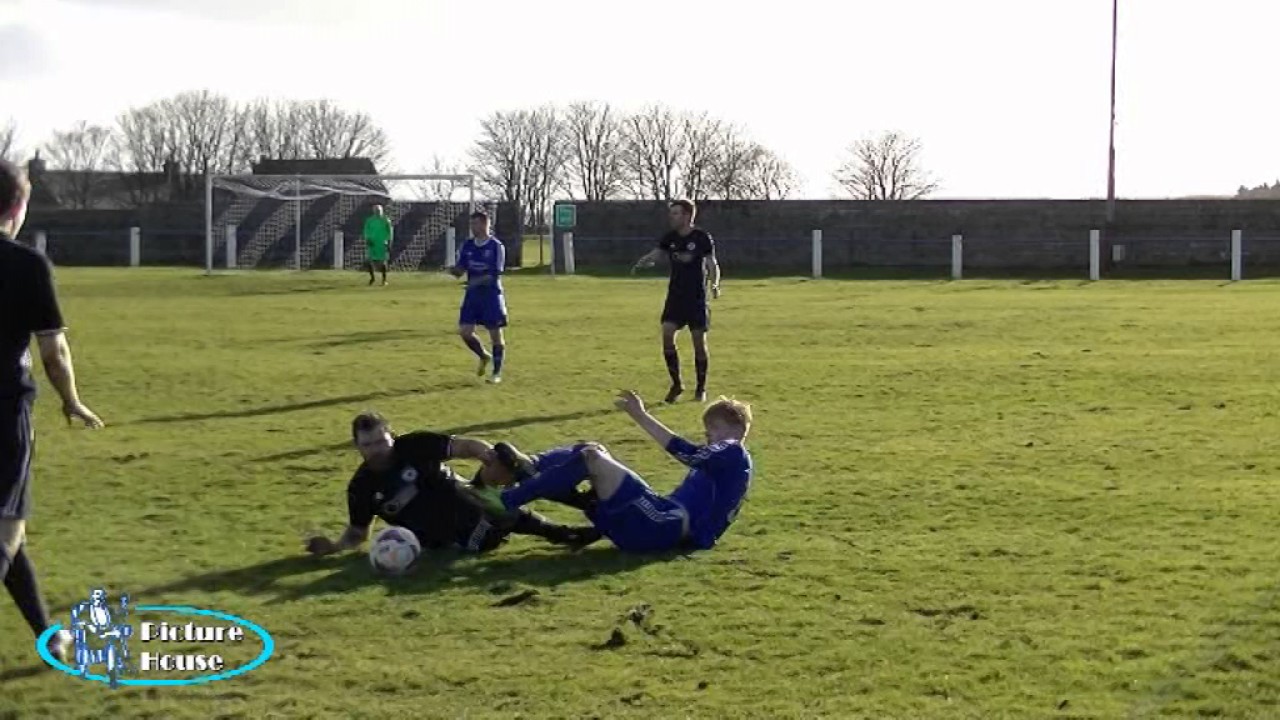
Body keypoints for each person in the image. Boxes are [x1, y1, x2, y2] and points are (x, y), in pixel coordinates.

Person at [0, 159, 104, 663]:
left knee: (11, 540)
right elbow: (53, 353)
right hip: (3, 415)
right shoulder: (25, 264)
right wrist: (72, 401)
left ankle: (50, 638)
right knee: (5, 529)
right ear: (17, 207)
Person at [466, 392, 753, 554]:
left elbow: (688, 454)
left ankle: (508, 500)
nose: (708, 437)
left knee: (592, 456)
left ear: (736, 430)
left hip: (664, 526)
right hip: (657, 525)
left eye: (712, 430)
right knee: (592, 451)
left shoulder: (733, 450)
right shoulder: (727, 461)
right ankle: (530, 467)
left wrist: (641, 415)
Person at [304, 412, 594, 560]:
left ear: (393, 436)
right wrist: (331, 547)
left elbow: (464, 445)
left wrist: (487, 455)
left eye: (381, 441)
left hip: (466, 497)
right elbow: (358, 533)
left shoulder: (414, 445)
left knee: (507, 460)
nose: (376, 449)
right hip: (452, 540)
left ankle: (582, 504)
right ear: (357, 446)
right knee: (497, 514)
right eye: (368, 445)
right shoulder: (361, 488)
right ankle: (565, 534)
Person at [631, 199, 721, 403]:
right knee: (667, 335)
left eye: (676, 213)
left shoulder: (701, 237)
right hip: (675, 297)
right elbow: (658, 253)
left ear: (688, 215)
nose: (671, 217)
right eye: (671, 213)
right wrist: (645, 260)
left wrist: (715, 284)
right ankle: (677, 385)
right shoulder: (669, 238)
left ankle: (700, 388)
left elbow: (711, 263)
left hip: (696, 298)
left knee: (699, 343)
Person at [449, 211, 508, 384]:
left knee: (495, 335)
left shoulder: (496, 246)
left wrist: (475, 282)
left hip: (491, 295)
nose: (473, 228)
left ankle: (496, 373)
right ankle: (483, 356)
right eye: (471, 224)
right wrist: (453, 270)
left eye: (475, 224)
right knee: (465, 332)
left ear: (484, 224)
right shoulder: (468, 245)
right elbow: (461, 269)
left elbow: (495, 273)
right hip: (472, 296)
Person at [362, 205, 392, 286]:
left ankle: (384, 280)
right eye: (376, 210)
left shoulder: (386, 220)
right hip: (372, 243)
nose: (377, 212)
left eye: (379, 210)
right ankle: (372, 278)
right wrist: (367, 239)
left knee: (383, 262)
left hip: (382, 243)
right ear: (373, 211)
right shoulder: (370, 220)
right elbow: (366, 230)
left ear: (382, 211)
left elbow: (390, 232)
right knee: (370, 261)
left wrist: (389, 242)